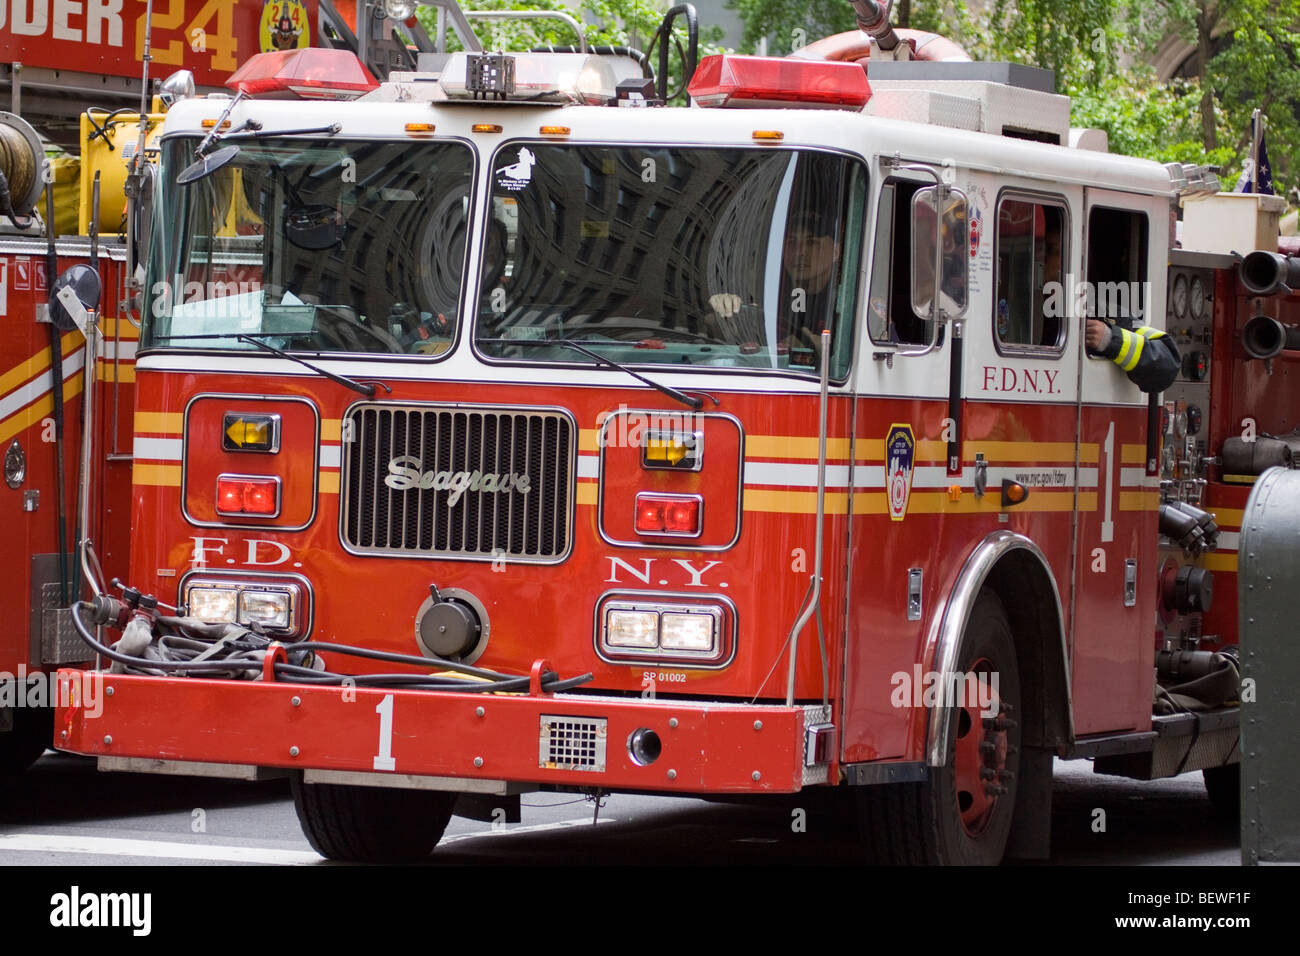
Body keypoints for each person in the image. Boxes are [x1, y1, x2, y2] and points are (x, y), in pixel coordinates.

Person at [708, 209, 843, 365]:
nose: (800, 252)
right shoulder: (767, 292)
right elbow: (719, 328)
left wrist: (827, 349)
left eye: (812, 242)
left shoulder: (849, 300)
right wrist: (724, 307)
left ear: (835, 252)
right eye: (791, 242)